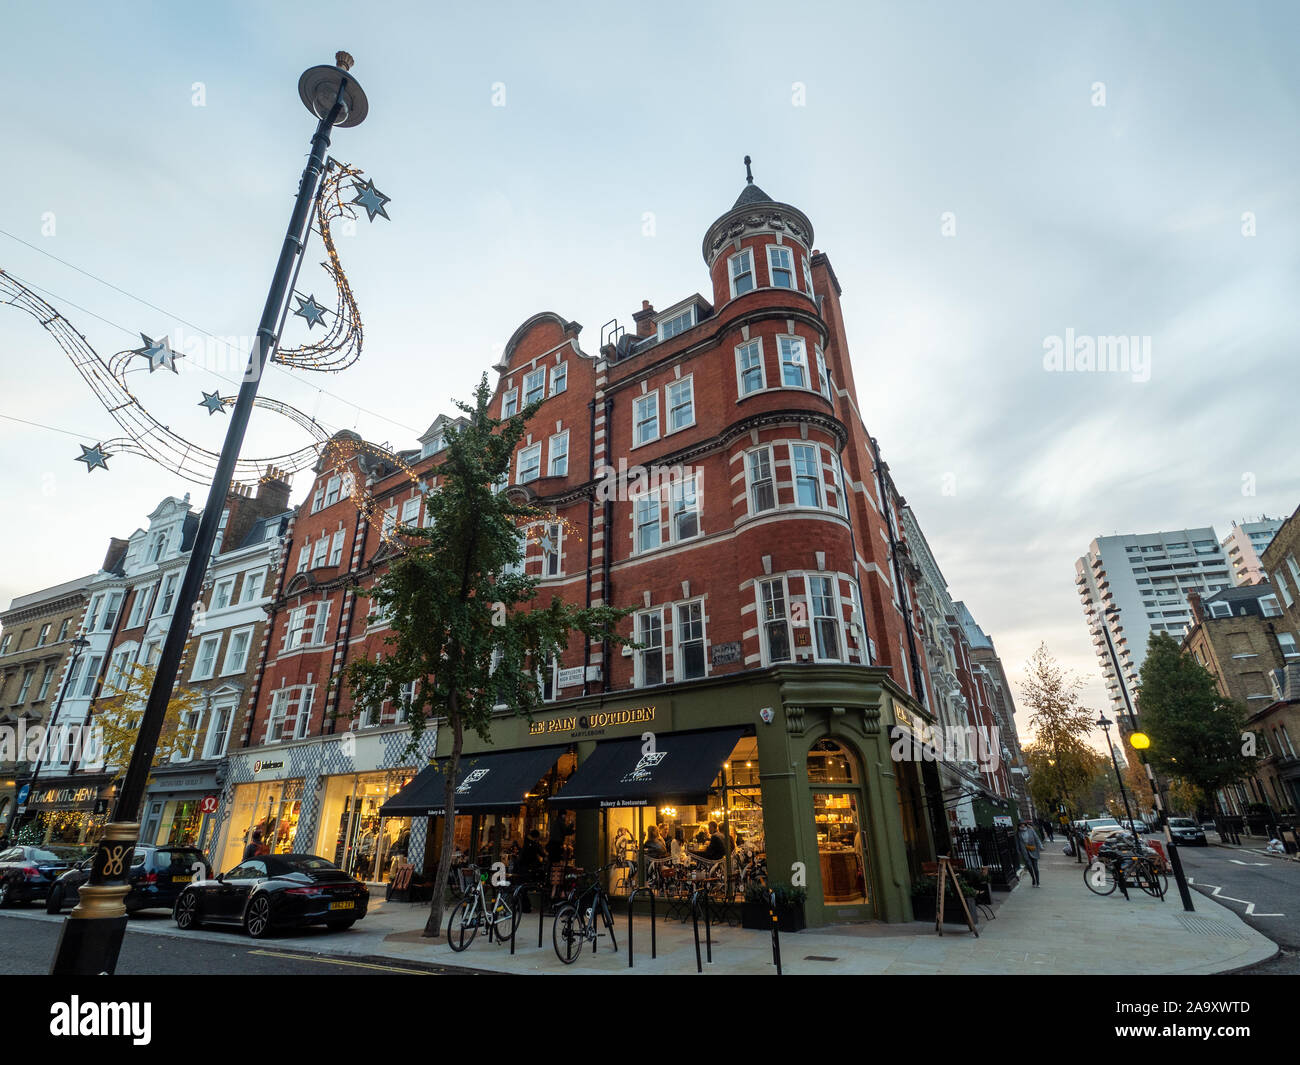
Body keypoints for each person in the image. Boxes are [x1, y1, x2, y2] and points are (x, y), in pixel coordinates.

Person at [1016, 819, 1044, 886]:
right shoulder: (1018, 833)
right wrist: (1018, 851)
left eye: (1023, 824)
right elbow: (1017, 843)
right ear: (1019, 825)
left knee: (1035, 867)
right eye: (1021, 824)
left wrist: (1040, 846)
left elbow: (1036, 838)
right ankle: (1033, 879)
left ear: (1025, 824)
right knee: (1029, 867)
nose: (1022, 825)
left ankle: (1038, 882)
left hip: (1033, 850)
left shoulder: (1031, 830)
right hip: (1025, 852)